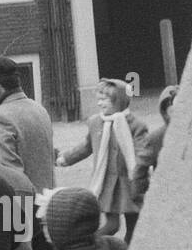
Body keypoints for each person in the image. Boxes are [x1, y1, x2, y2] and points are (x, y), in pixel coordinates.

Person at [0, 58, 55, 250]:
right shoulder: (38, 108)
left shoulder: (0, 117)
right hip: (47, 201)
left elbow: (9, 175)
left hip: (24, 210)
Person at [56, 78, 152, 240]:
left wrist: (142, 172)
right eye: (98, 100)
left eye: (104, 100)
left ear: (119, 100)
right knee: (112, 226)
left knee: (133, 228)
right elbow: (87, 146)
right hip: (106, 183)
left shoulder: (136, 125)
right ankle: (87, 244)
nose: (100, 104)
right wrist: (65, 158)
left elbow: (142, 152)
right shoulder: (96, 122)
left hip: (129, 182)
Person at [131, 85, 178, 229]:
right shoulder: (156, 138)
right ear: (166, 111)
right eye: (173, 109)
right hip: (166, 189)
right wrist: (138, 192)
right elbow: (142, 166)